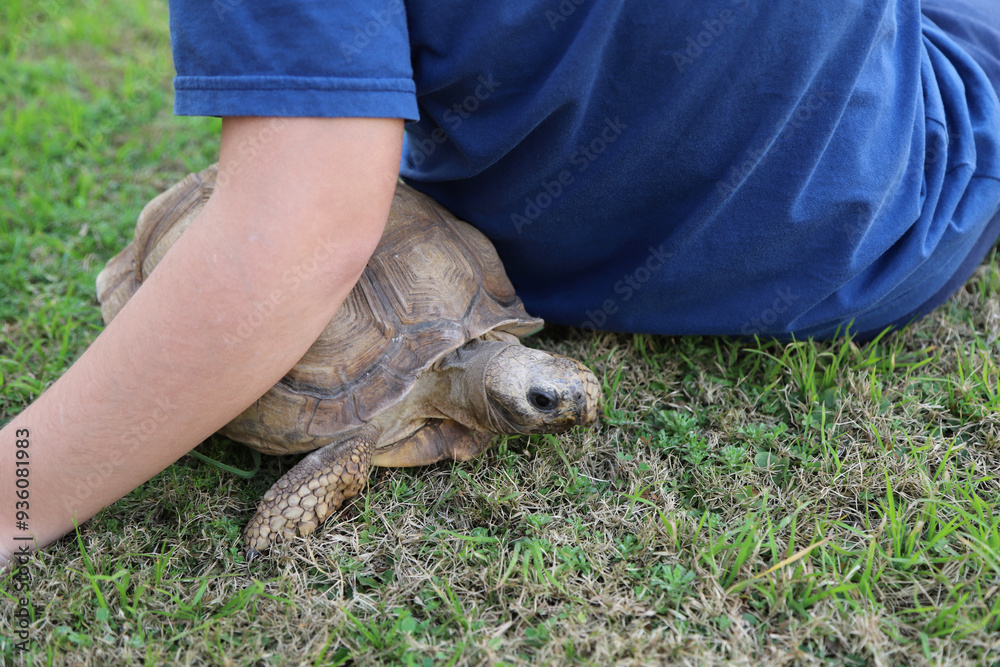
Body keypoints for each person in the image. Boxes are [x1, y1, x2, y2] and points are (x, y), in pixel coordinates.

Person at [3, 0, 1000, 565]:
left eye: (549, 397)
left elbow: (298, 222)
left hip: (860, 203)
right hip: (894, 215)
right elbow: (297, 241)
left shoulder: (514, 291)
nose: (561, 408)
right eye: (550, 394)